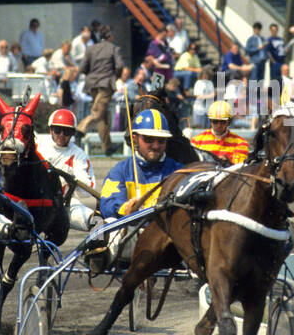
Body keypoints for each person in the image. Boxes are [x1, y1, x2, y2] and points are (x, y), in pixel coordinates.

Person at [88, 108, 185, 274]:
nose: (155, 145)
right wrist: (124, 208)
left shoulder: (178, 172)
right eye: (149, 139)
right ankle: (99, 257)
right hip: (131, 236)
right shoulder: (120, 170)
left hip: (165, 241)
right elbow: (107, 202)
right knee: (104, 222)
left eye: (161, 141)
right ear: (135, 138)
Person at [36, 109, 98, 231]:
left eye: (67, 131)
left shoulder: (79, 155)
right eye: (57, 130)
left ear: (73, 133)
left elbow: (87, 191)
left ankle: (98, 249)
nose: (61, 135)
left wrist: (73, 179)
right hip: (34, 202)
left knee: (98, 221)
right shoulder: (38, 146)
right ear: (50, 130)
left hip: (63, 205)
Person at [76, 24, 124, 156]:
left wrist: (92, 74)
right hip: (106, 83)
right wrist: (116, 76)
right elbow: (120, 66)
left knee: (103, 116)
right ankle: (81, 128)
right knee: (98, 112)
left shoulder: (91, 49)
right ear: (110, 36)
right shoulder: (114, 48)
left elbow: (83, 68)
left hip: (92, 84)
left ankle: (107, 147)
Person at [191, 100, 251, 166]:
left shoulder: (241, 143)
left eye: (222, 121)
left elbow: (238, 168)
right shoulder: (196, 141)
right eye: (215, 121)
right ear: (210, 121)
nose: (219, 125)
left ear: (229, 122)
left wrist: (228, 161)